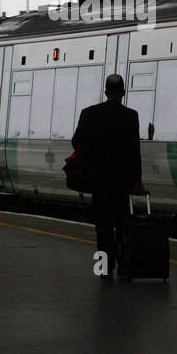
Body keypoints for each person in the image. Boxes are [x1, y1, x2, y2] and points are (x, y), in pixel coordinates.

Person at [71, 73, 143, 279]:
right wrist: (137, 179)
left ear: (105, 91)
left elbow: (76, 142)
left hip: (98, 181)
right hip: (122, 182)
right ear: (123, 92)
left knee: (102, 228)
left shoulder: (89, 114)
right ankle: (123, 267)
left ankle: (103, 269)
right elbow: (134, 151)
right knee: (122, 226)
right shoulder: (131, 116)